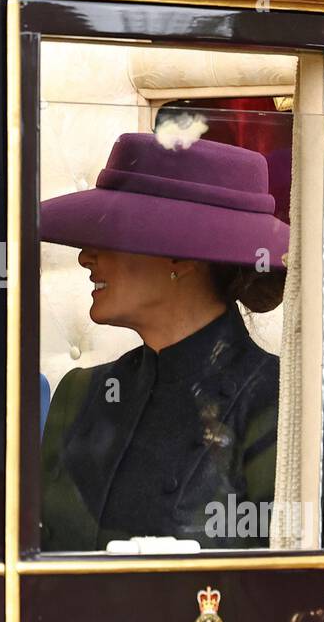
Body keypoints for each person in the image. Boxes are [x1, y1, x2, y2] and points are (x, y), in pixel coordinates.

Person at [38, 132, 289, 551]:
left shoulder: (278, 403)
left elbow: (281, 587)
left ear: (183, 256)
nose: (85, 256)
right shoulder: (79, 394)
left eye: (111, 232)